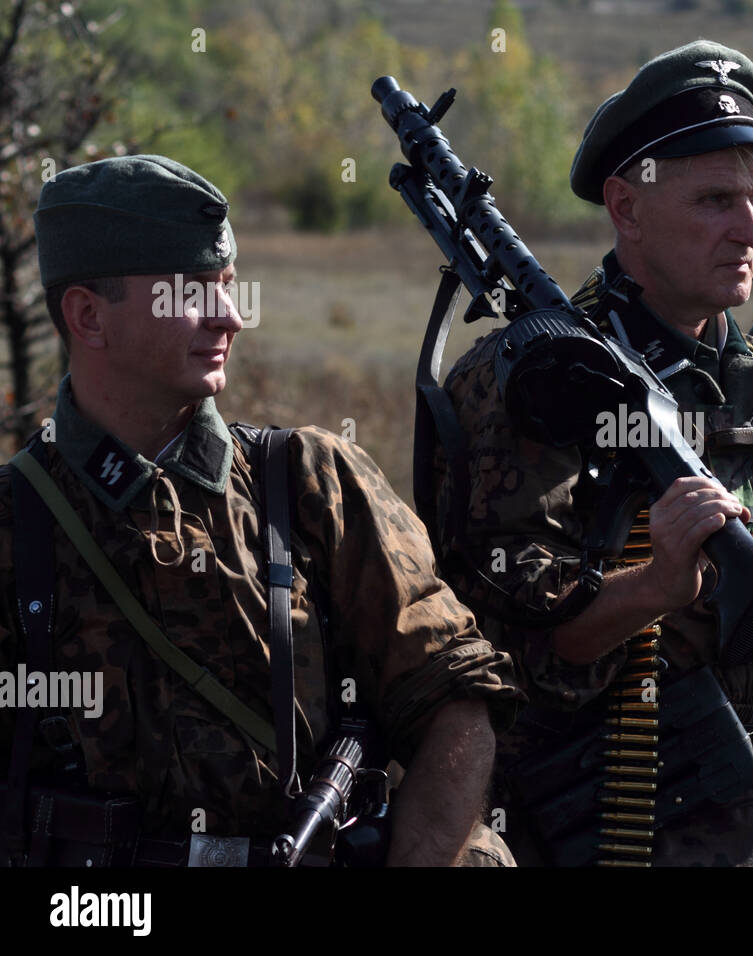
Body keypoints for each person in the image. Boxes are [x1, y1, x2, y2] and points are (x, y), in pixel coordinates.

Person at [0, 155, 522, 867]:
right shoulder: (18, 520)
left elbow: (454, 696)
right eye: (189, 292)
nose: (232, 316)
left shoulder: (309, 482)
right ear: (89, 316)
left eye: (226, 285)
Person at [431, 40, 753, 866]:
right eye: (715, 200)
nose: (749, 229)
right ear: (626, 208)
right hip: (617, 830)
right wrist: (651, 588)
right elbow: (490, 659)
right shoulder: (532, 379)